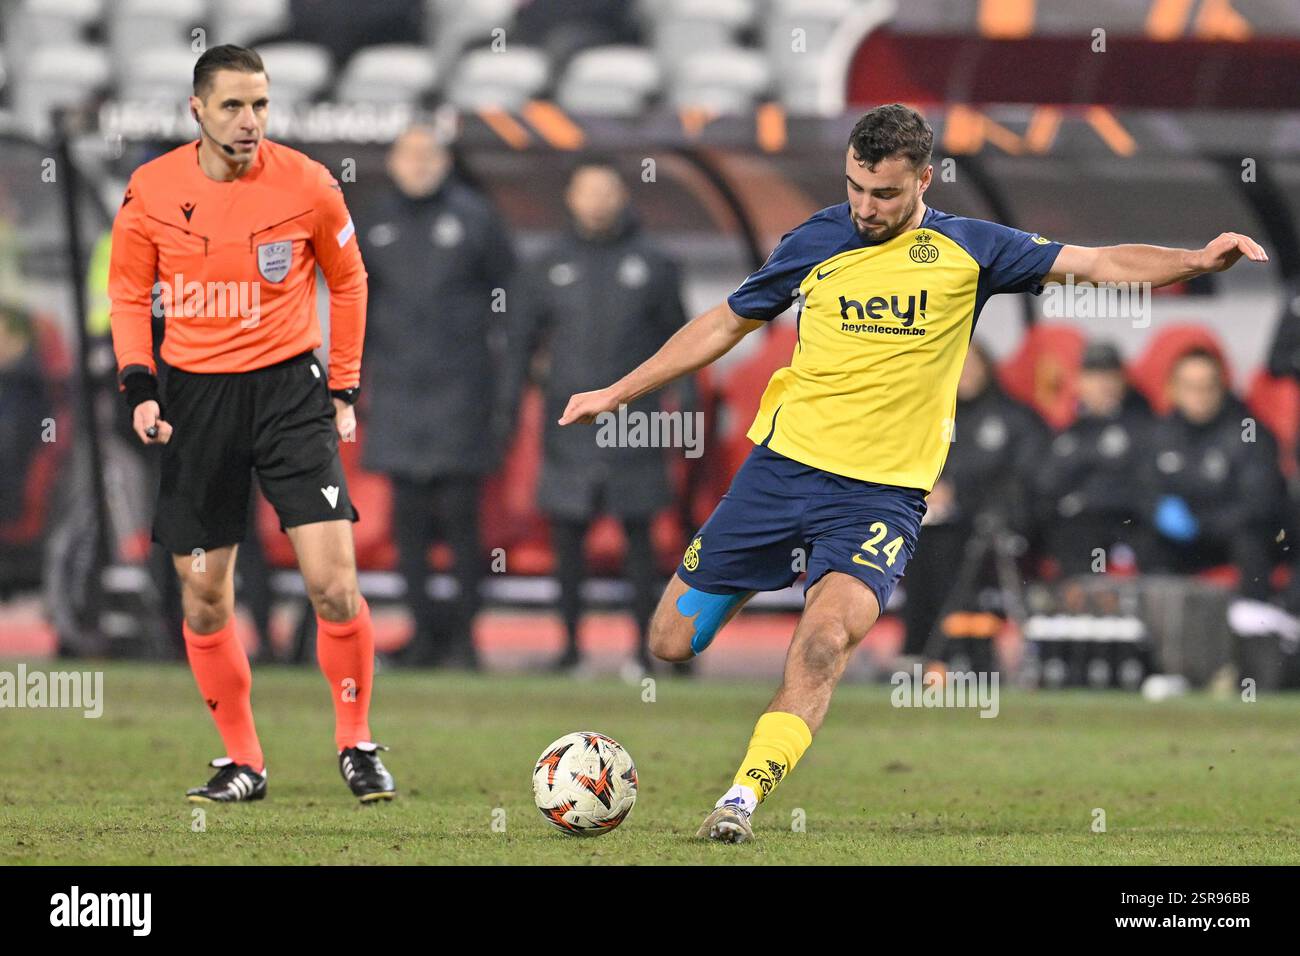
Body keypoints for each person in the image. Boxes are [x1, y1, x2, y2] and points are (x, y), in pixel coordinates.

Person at [557, 103, 1270, 843]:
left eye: (886, 194)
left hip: (879, 497)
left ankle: (740, 799)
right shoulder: (817, 239)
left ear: (924, 179)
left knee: (826, 640)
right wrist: (618, 392)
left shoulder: (972, 248)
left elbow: (1097, 261)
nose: (866, 207)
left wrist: (1193, 261)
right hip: (780, 476)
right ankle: (751, 577)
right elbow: (726, 322)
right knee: (670, 642)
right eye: (857, 189)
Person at [107, 45, 395, 803]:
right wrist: (141, 386)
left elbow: (351, 281)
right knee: (204, 595)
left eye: (261, 104)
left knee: (334, 585)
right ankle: (244, 761)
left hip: (290, 394)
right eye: (233, 105)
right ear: (196, 110)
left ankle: (357, 742)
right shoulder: (152, 189)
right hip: (197, 400)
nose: (249, 121)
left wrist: (343, 385)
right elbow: (130, 295)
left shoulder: (307, 184)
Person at [504, 158, 690, 675]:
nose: (597, 203)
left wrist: (686, 418)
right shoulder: (544, 265)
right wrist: (508, 414)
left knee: (640, 545)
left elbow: (685, 346)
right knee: (567, 544)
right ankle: (568, 648)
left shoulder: (655, 264)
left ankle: (648, 651)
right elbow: (520, 346)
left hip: (637, 427)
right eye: (587, 193)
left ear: (622, 197)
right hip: (569, 429)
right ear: (571, 198)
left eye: (606, 192)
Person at [358, 125, 516, 669]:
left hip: (462, 390)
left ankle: (463, 638)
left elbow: (511, 294)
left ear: (445, 161)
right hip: (399, 391)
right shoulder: (374, 221)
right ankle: (424, 632)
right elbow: (353, 301)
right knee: (408, 521)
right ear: (395, 161)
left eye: (430, 154)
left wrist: (505, 376)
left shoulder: (475, 217)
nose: (420, 164)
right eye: (410, 155)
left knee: (461, 518)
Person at [901, 340, 1047, 666]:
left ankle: (954, 649)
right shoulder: (934, 417)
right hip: (934, 522)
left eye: (971, 364)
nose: (964, 373)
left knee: (949, 542)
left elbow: (1026, 481)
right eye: (958, 365)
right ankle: (917, 648)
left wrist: (960, 495)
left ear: (987, 367)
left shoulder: (1015, 418)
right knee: (917, 538)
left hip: (997, 525)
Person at [1033, 340, 1157, 576]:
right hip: (1077, 527)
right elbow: (1046, 483)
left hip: (1128, 522)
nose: (1102, 385)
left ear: (1123, 381)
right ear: (1079, 382)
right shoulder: (1067, 432)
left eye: (1109, 376)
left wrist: (1084, 496)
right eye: (1093, 377)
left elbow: (1144, 483)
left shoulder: (1143, 425)